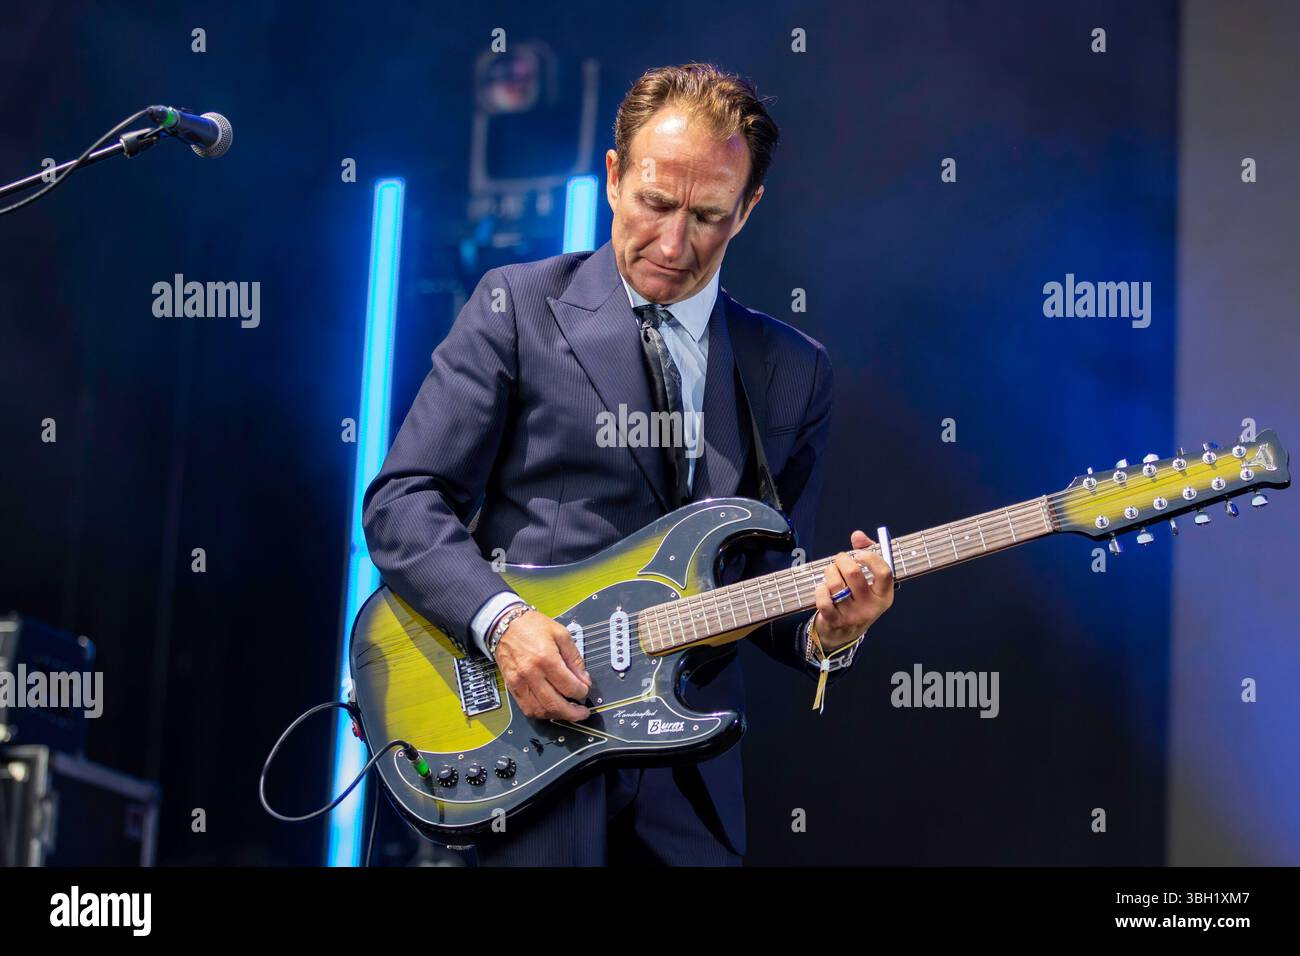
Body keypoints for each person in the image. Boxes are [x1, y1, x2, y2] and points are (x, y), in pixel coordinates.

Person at [362, 62, 894, 866]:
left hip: (692, 790)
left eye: (709, 215)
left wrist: (831, 628)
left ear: (748, 209)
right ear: (613, 178)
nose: (675, 243)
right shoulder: (518, 307)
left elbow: (777, 589)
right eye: (654, 203)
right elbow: (402, 502)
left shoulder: (792, 369)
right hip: (534, 751)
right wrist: (503, 623)